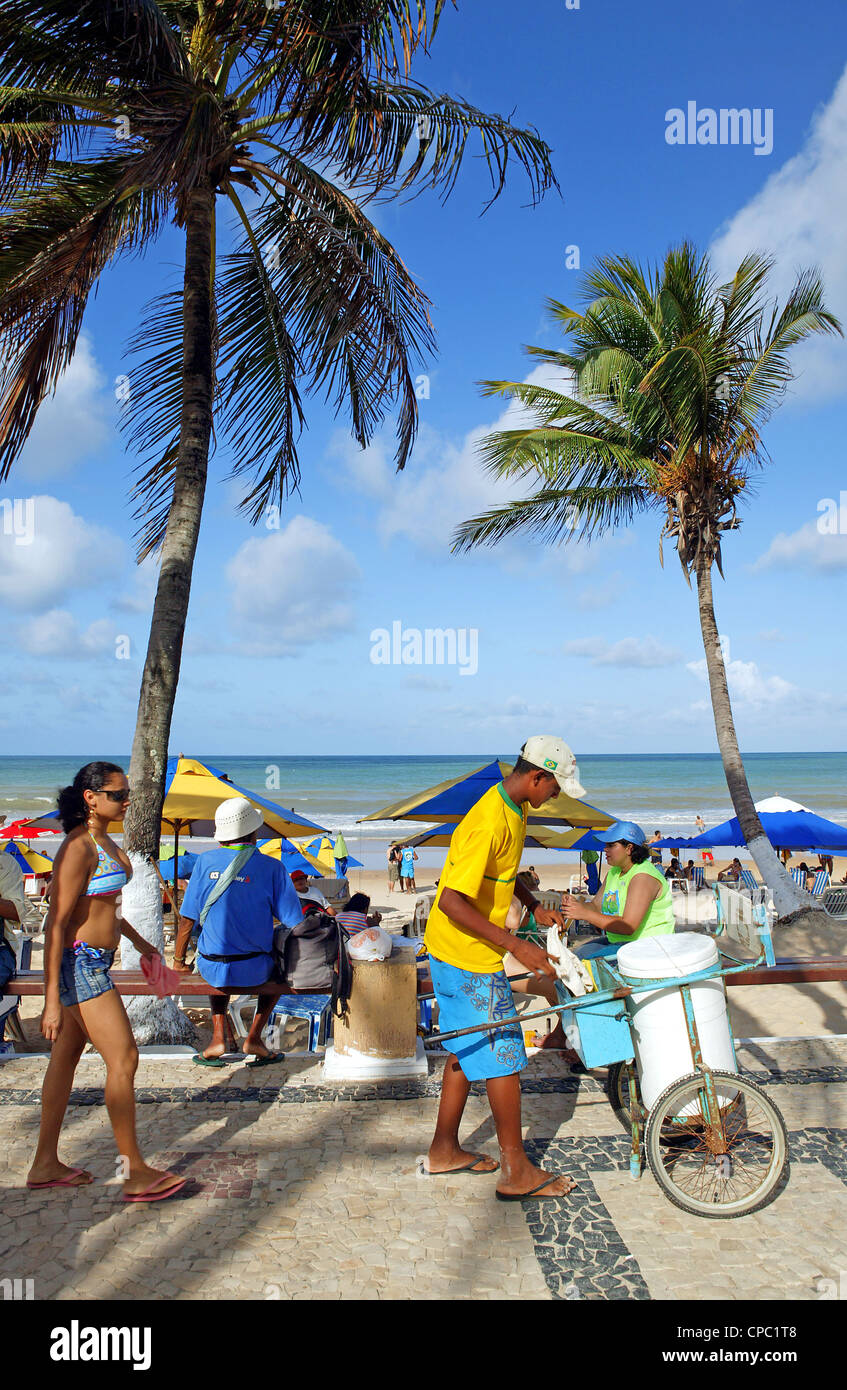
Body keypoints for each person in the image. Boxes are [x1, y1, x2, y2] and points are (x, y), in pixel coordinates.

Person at [424, 734, 585, 1200]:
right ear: (537, 776)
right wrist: (518, 944)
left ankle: (443, 1150)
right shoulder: (488, 821)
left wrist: (532, 905)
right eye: (555, 786)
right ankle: (516, 1171)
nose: (556, 796)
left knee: (466, 1048)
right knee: (504, 1058)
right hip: (466, 955)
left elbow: (503, 872)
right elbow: (452, 900)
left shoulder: (516, 809)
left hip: (462, 950)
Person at [27, 762, 185, 1202]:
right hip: (80, 966)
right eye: (118, 794)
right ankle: (133, 1170)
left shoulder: (105, 841)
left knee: (65, 1059)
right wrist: (51, 1002)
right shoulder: (77, 847)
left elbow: (108, 909)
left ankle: (44, 1163)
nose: (127, 800)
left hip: (94, 962)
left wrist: (140, 943)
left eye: (127, 792)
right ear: (90, 798)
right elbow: (55, 925)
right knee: (125, 1058)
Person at [174, 798, 302, 1067]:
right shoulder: (273, 867)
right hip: (255, 968)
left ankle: (219, 1037)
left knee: (212, 953)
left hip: (210, 966)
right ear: (254, 832)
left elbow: (187, 919)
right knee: (280, 973)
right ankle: (254, 1036)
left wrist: (178, 962)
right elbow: (294, 922)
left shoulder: (205, 861)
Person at [561, 821, 675, 960]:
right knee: (575, 954)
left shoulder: (643, 877)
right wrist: (576, 906)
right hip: (621, 942)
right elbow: (596, 906)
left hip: (649, 946)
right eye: (606, 845)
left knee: (580, 960)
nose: (605, 849)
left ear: (629, 848)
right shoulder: (614, 872)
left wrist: (584, 914)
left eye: (611, 845)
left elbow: (628, 926)